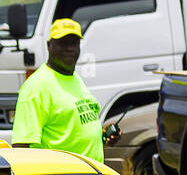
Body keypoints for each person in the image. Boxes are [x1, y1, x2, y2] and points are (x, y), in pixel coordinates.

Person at [12, 19, 120, 162]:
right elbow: (21, 147)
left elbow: (70, 129)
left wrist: (102, 136)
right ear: (49, 46)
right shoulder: (36, 86)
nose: (70, 48)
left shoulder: (75, 78)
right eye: (63, 43)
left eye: (74, 43)